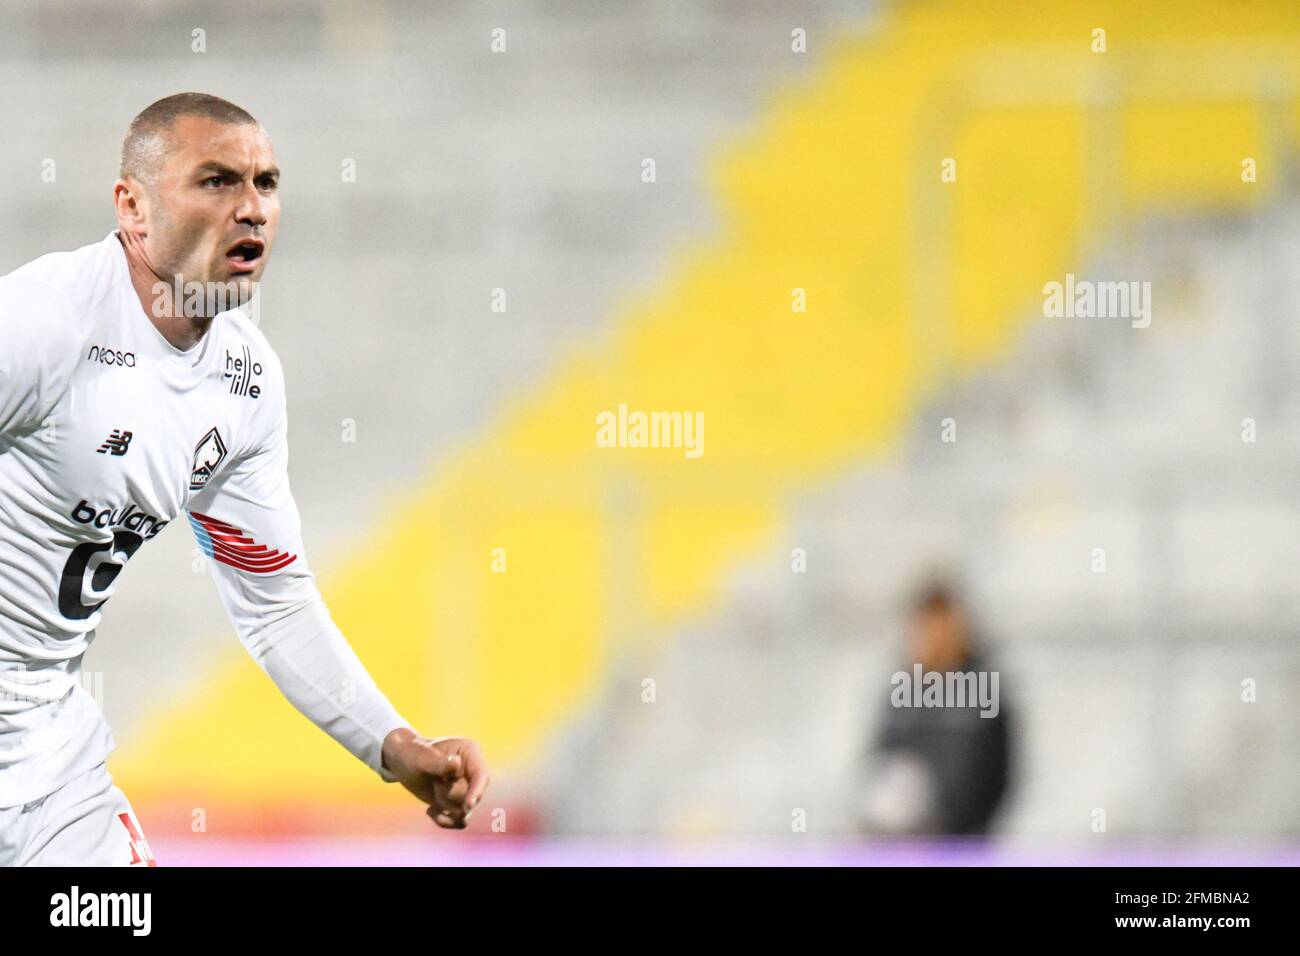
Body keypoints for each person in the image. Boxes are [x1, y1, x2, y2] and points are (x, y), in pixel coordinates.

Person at [0, 93, 489, 865]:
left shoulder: (245, 383)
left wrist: (394, 746)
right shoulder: (44, 323)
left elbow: (274, 601)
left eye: (266, 183)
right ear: (132, 206)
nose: (252, 207)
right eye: (217, 181)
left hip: (49, 763)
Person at [861, 580, 1011, 837]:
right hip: (900, 840)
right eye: (928, 628)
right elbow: (879, 759)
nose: (936, 638)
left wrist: (958, 827)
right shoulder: (900, 694)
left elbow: (997, 776)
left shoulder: (982, 693)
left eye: (943, 628)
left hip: (960, 841)